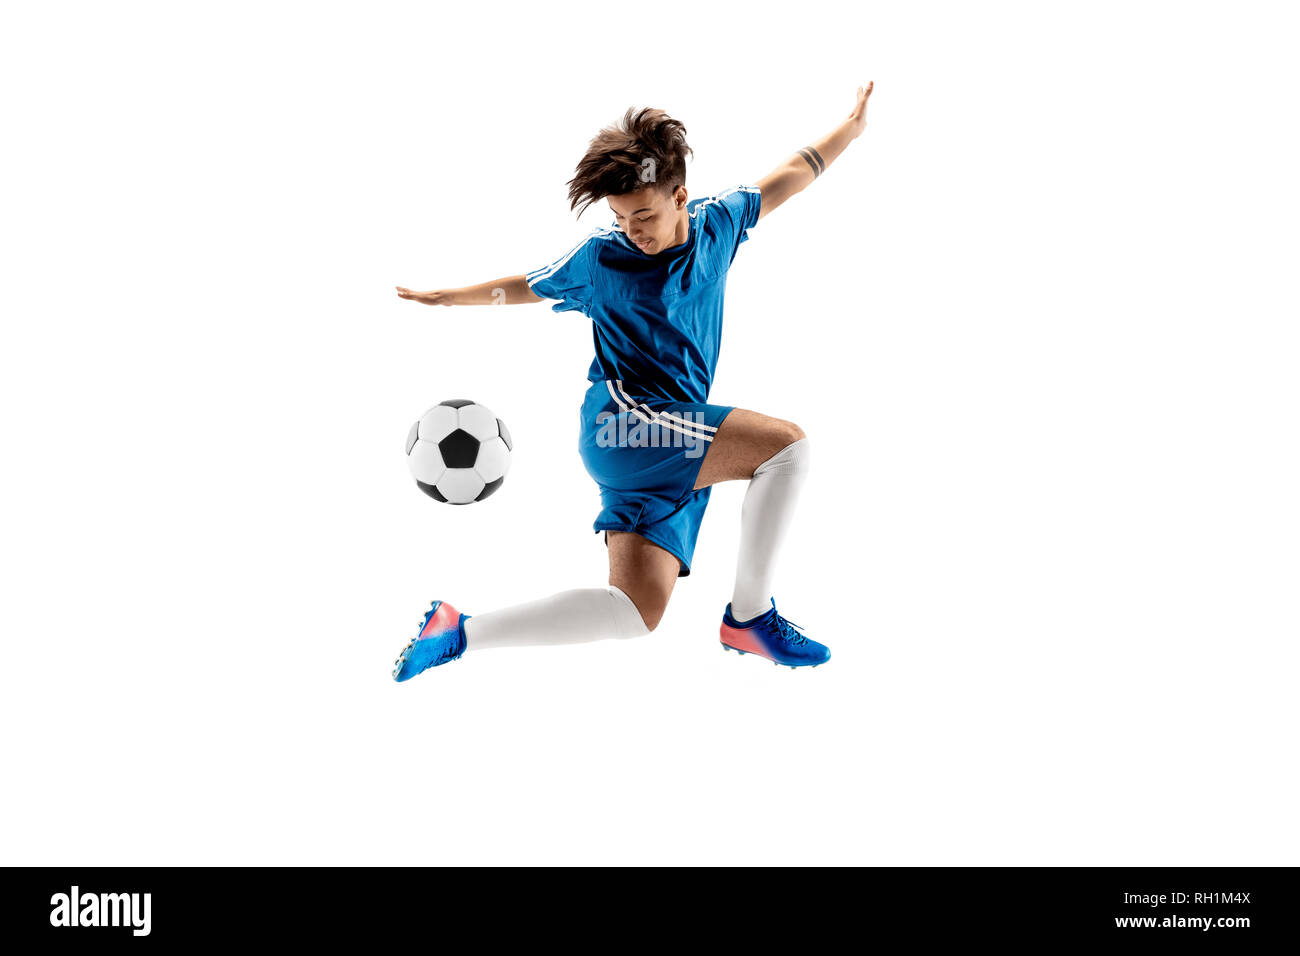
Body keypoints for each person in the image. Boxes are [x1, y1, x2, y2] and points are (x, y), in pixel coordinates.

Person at [392, 83, 874, 679]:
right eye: (620, 217)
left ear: (680, 196)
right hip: (625, 425)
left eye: (643, 215)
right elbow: (523, 285)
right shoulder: (601, 260)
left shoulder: (720, 224)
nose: (632, 230)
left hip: (669, 436)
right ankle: (749, 617)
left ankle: (460, 631)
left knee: (634, 612)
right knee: (786, 448)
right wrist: (447, 299)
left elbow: (791, 175)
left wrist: (850, 129)